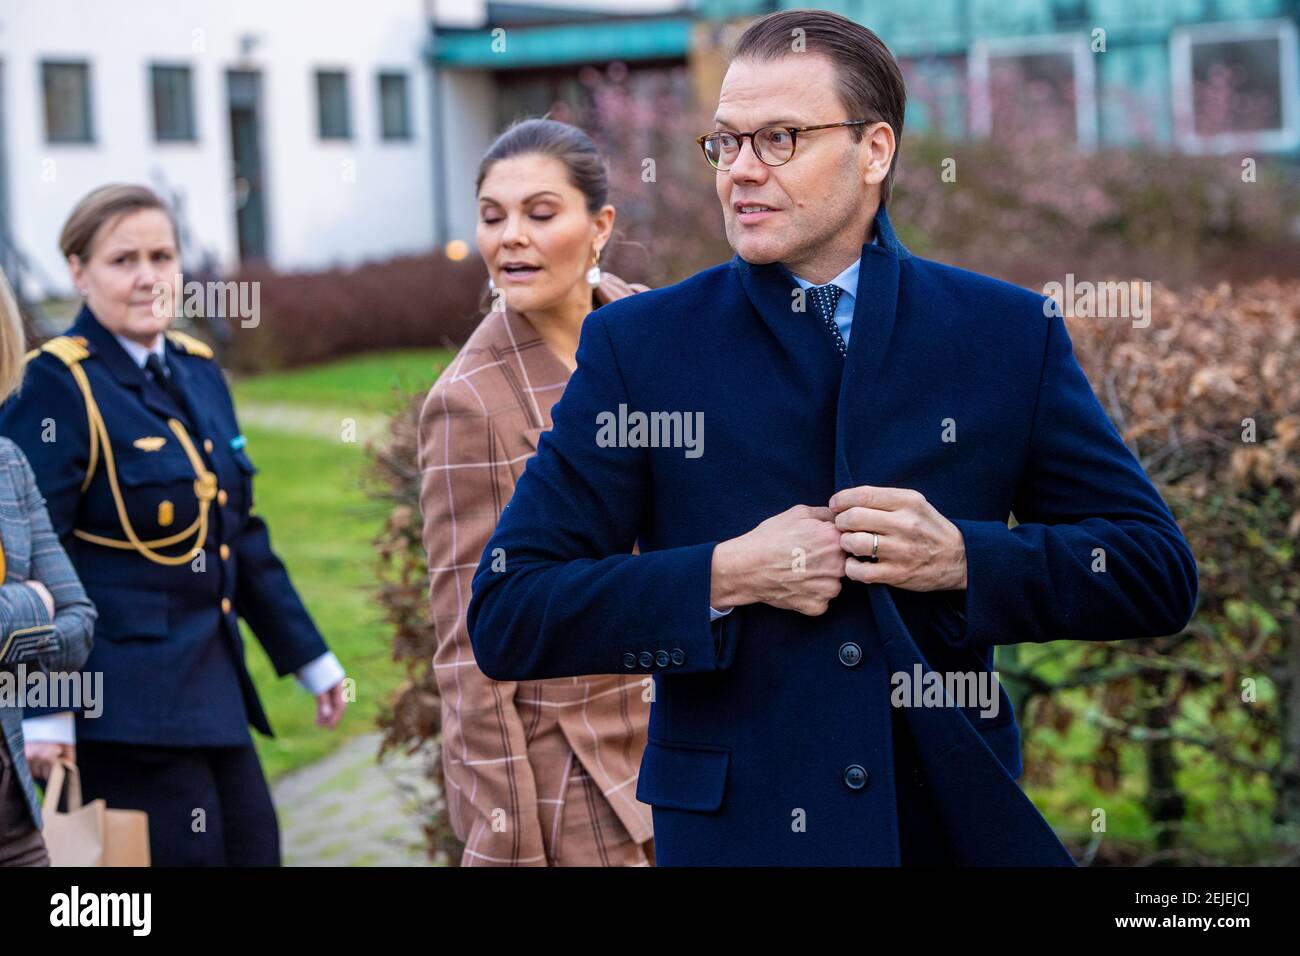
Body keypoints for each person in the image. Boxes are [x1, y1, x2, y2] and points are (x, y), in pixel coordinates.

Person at [467, 10, 1199, 866]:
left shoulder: (1005, 334)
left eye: (779, 138)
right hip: (739, 843)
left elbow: (1155, 571)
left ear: (875, 151)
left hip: (948, 834)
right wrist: (723, 576)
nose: (741, 170)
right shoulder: (643, 347)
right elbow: (508, 612)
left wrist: (964, 559)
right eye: (726, 143)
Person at [0, 184, 348, 866]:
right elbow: (29, 557)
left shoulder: (195, 369)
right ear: (78, 271)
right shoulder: (56, 385)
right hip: (121, 710)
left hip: (212, 689)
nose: (148, 276)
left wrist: (310, 658)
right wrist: (45, 709)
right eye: (122, 259)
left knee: (255, 849)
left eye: (162, 255)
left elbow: (237, 531)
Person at [418, 118, 657, 866]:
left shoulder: (653, 328)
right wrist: (506, 841)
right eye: (493, 217)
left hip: (697, 744)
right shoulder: (469, 404)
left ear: (600, 227)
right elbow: (470, 653)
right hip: (582, 783)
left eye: (540, 213)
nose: (510, 236)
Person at [0, 270, 96, 866]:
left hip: (14, 820)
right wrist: (33, 604)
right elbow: (54, 609)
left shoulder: (7, 463)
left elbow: (81, 625)